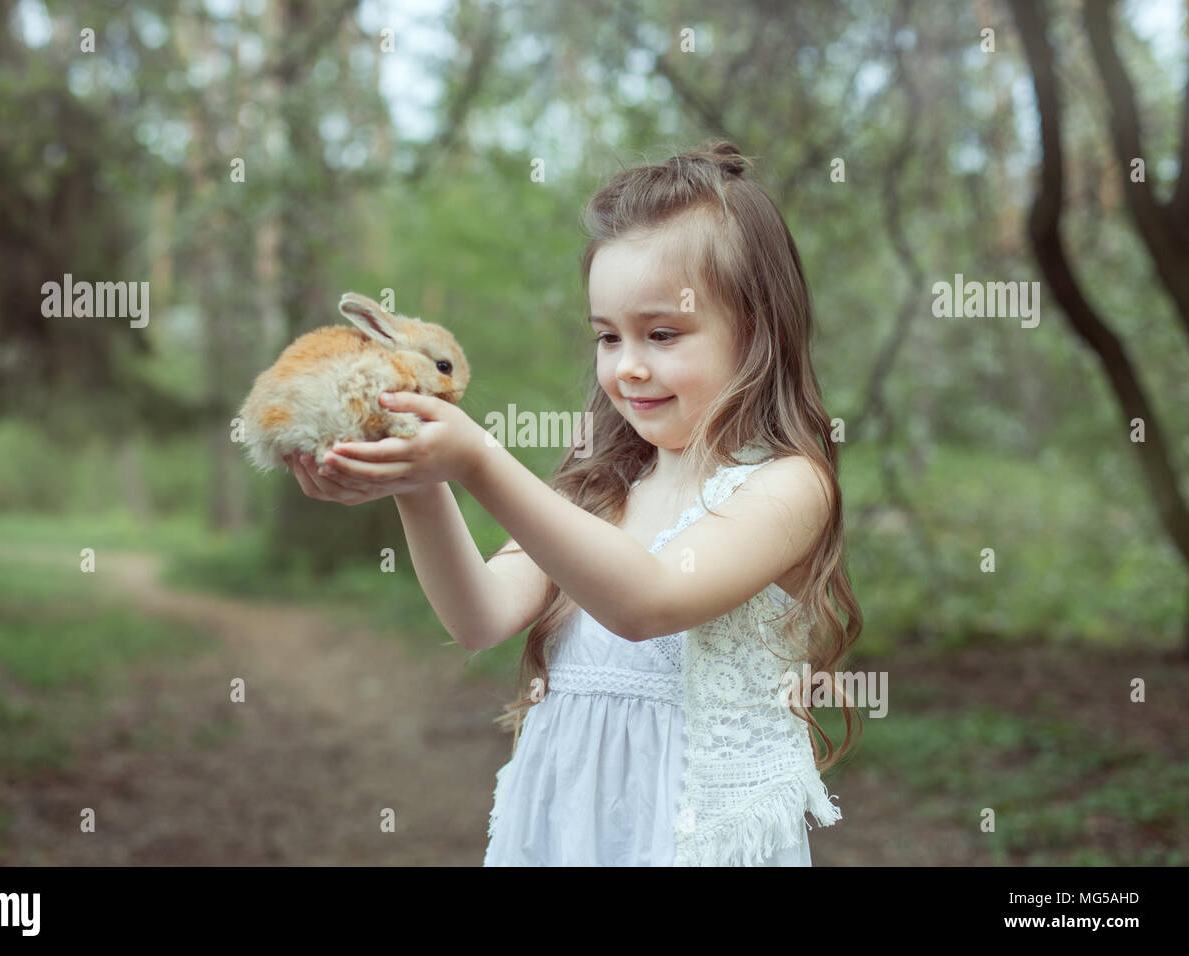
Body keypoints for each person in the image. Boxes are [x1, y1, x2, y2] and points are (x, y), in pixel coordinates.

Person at [284, 140, 864, 866]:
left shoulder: (784, 487)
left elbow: (646, 602)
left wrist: (480, 459)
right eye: (607, 336)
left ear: (758, 329)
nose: (628, 366)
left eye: (662, 333)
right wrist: (422, 483)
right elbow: (480, 616)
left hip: (691, 841)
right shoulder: (602, 485)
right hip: (569, 836)